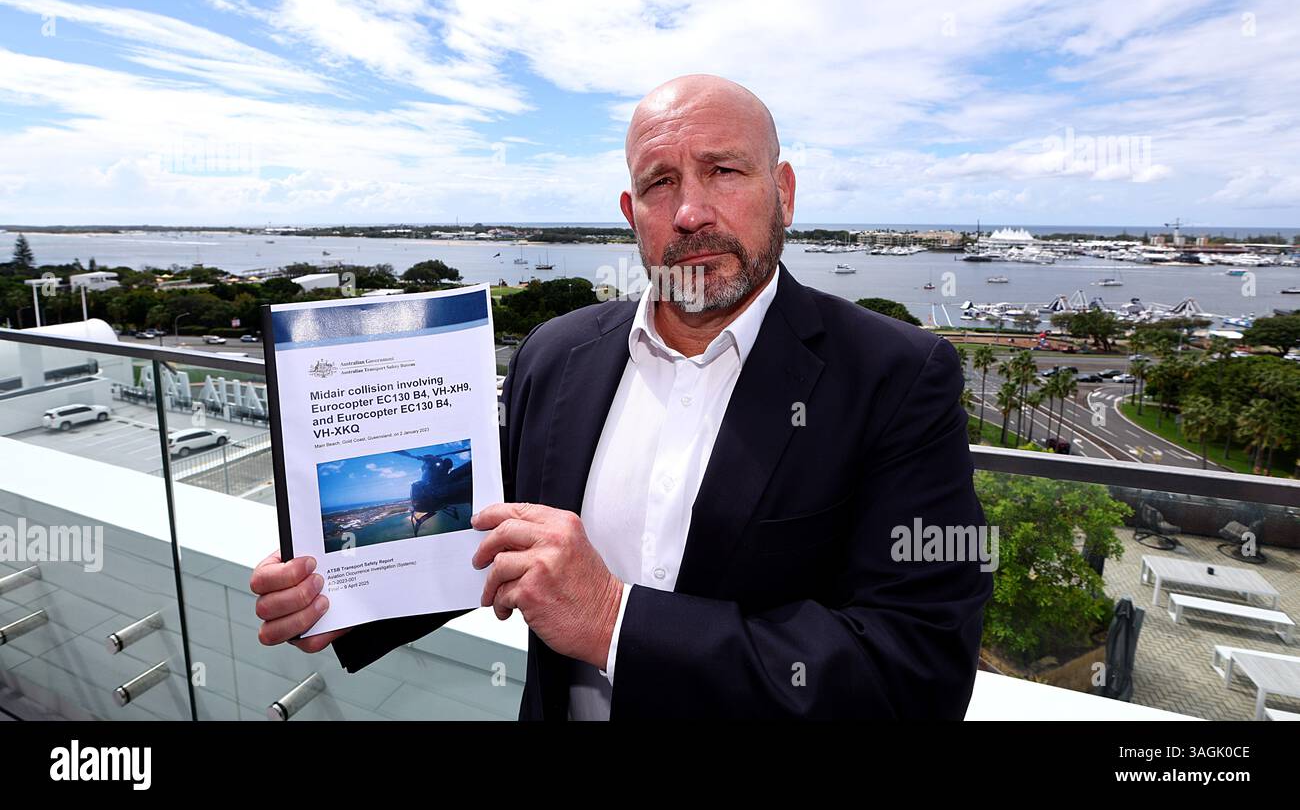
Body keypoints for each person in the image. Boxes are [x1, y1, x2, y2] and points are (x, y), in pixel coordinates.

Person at [250, 74, 993, 719]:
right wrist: (348, 599)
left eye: (724, 170)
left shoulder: (896, 376)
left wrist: (613, 620)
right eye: (660, 182)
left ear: (785, 192)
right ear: (629, 210)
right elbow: (484, 534)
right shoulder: (555, 352)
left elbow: (911, 670)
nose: (691, 212)